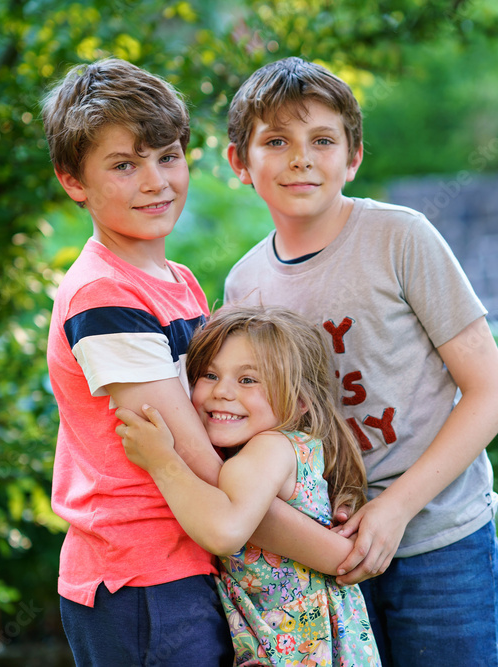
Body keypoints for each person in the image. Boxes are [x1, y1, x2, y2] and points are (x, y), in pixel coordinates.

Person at [41, 57, 355, 666]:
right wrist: (332, 552)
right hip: (142, 576)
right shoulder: (103, 296)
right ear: (73, 181)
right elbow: (198, 463)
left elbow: (234, 430)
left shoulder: (178, 282)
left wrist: (313, 497)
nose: (155, 181)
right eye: (124, 165)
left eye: (168, 156)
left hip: (196, 563)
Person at [221, 56, 498, 666]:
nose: (301, 159)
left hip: (439, 542)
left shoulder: (401, 237)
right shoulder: (244, 286)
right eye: (276, 141)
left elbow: (491, 393)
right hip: (323, 556)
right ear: (239, 163)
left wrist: (396, 507)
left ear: (353, 156)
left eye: (322, 140)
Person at [116, 306, 382, 666]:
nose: (222, 391)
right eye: (210, 375)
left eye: (248, 380)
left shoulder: (269, 449)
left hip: (302, 650)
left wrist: (162, 461)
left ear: (300, 401)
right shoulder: (277, 448)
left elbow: (224, 531)